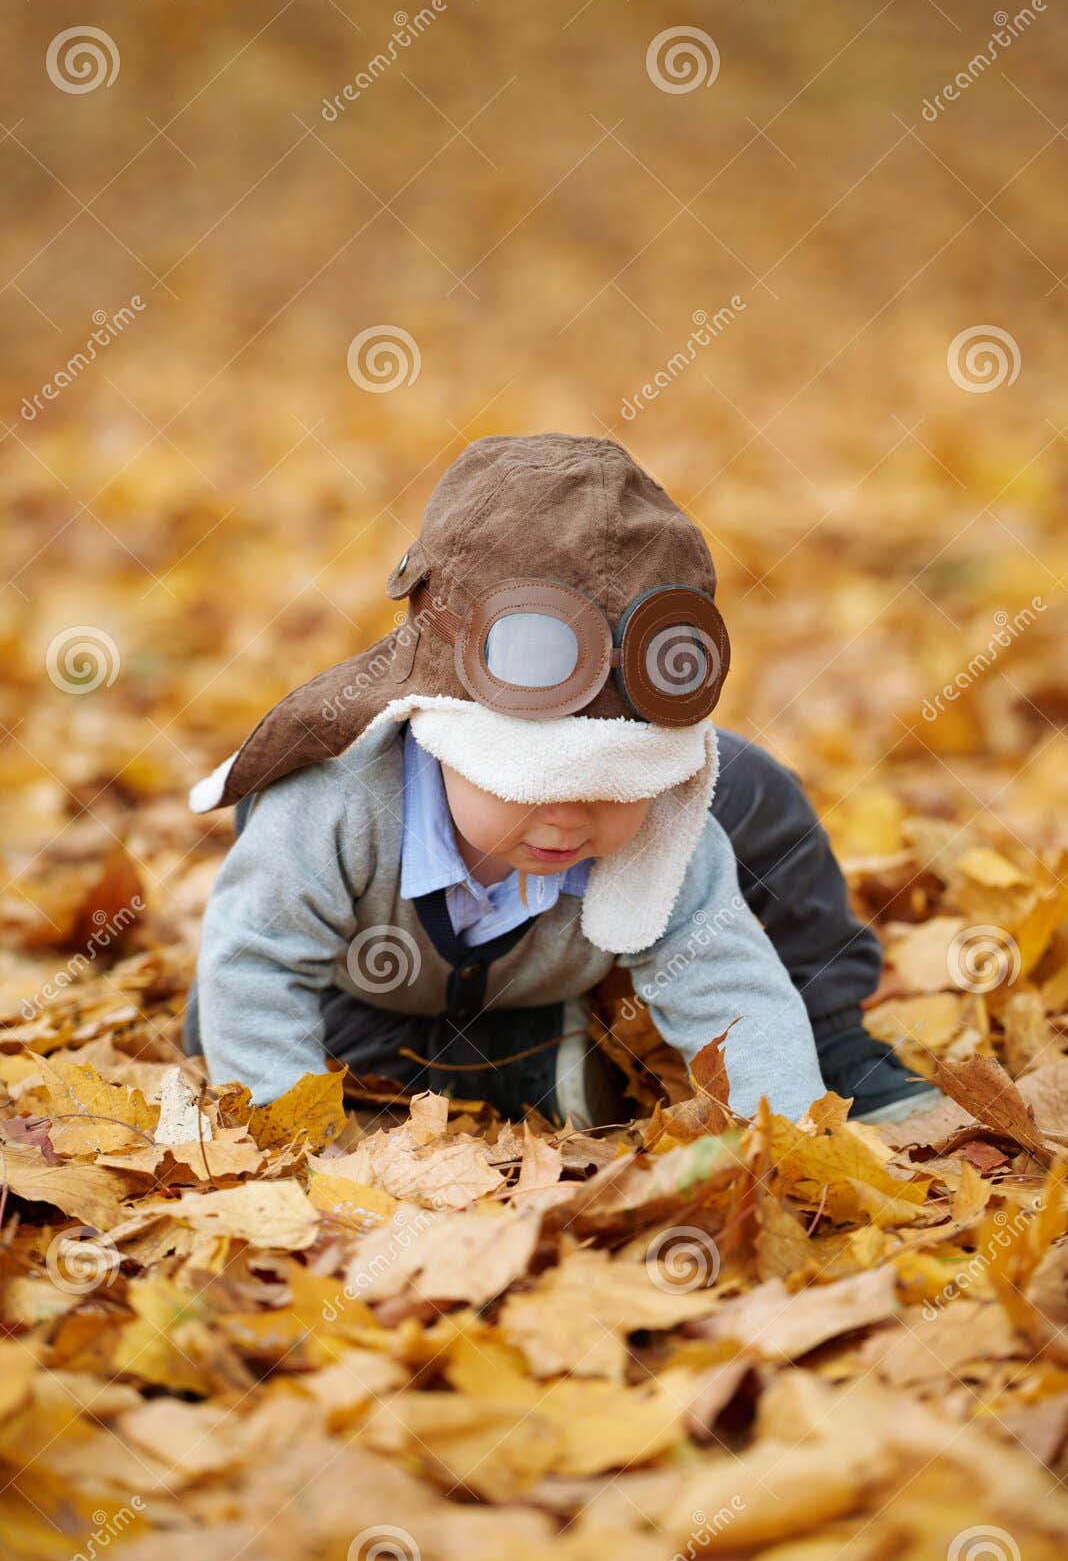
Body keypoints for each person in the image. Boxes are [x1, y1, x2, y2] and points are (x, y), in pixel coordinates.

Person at [184, 432, 933, 1128]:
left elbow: (728, 981)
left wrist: (791, 1130)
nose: (569, 819)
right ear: (438, 736)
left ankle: (829, 1041)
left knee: (753, 788)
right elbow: (257, 965)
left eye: (616, 787)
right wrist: (284, 1134)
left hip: (538, 978)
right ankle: (520, 1060)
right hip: (363, 988)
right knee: (245, 1033)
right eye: (534, 783)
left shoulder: (667, 822)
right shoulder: (333, 806)